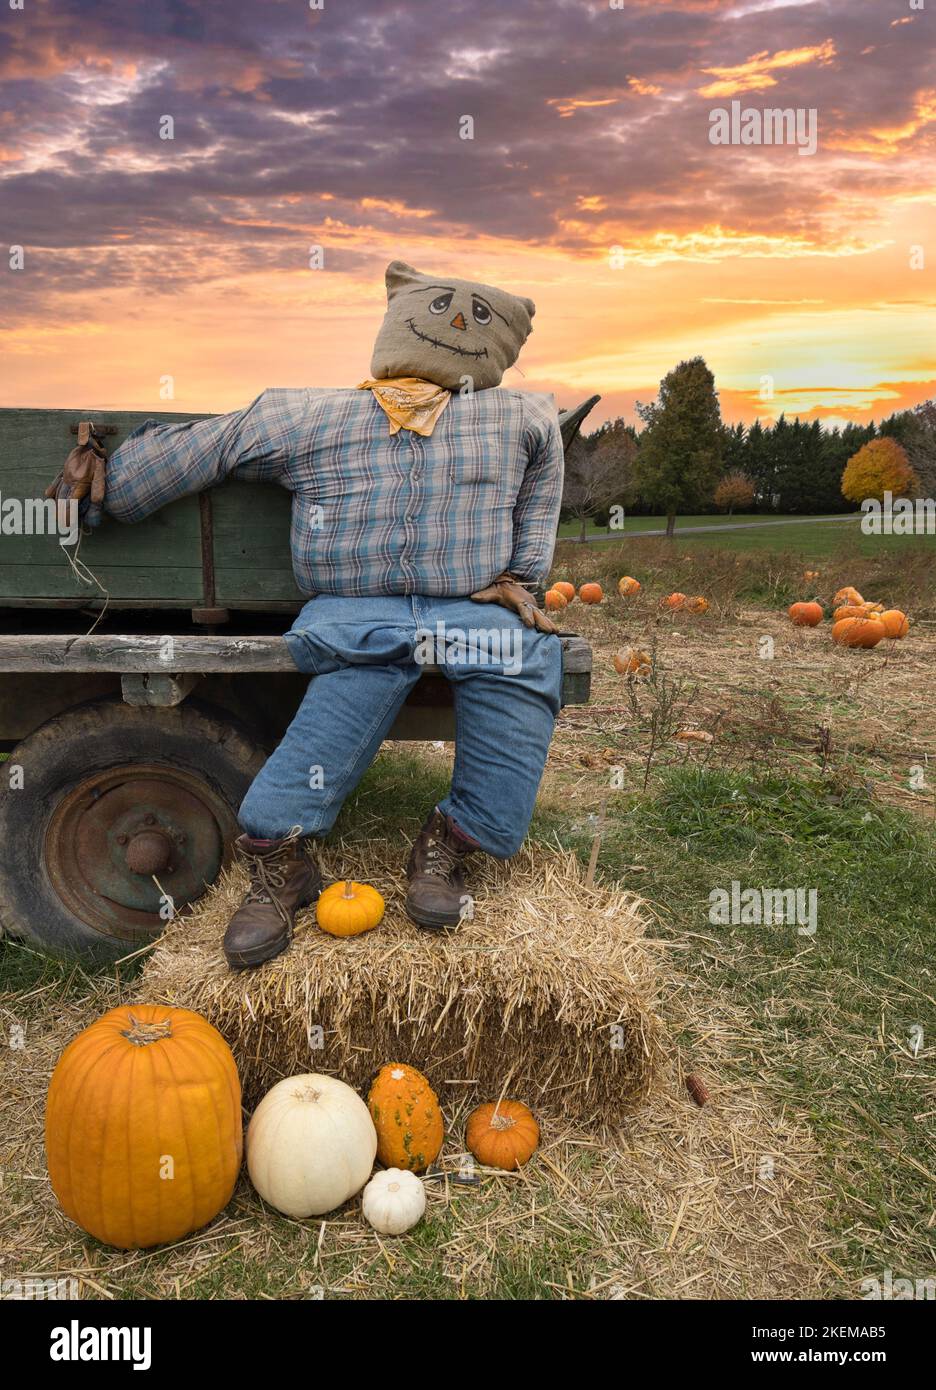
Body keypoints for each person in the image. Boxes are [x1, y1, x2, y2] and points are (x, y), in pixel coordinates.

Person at [47, 261, 566, 968]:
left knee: (523, 664)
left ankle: (454, 840)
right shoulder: (311, 415)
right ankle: (280, 861)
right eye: (438, 309)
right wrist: (114, 482)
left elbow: (538, 505)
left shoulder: (523, 418)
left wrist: (520, 579)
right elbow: (216, 445)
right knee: (352, 682)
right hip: (357, 610)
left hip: (471, 607)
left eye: (473, 317)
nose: (452, 325)